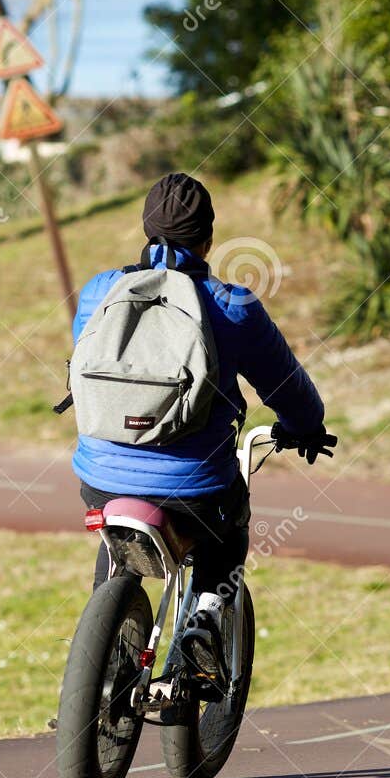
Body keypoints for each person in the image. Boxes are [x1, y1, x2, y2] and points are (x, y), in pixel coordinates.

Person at [69, 172, 335, 679]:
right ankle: (206, 620)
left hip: (100, 479)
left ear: (145, 230)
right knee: (230, 524)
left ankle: (101, 669)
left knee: (114, 549)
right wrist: (306, 425)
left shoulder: (101, 290)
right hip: (196, 490)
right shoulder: (232, 306)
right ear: (208, 239)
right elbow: (286, 387)